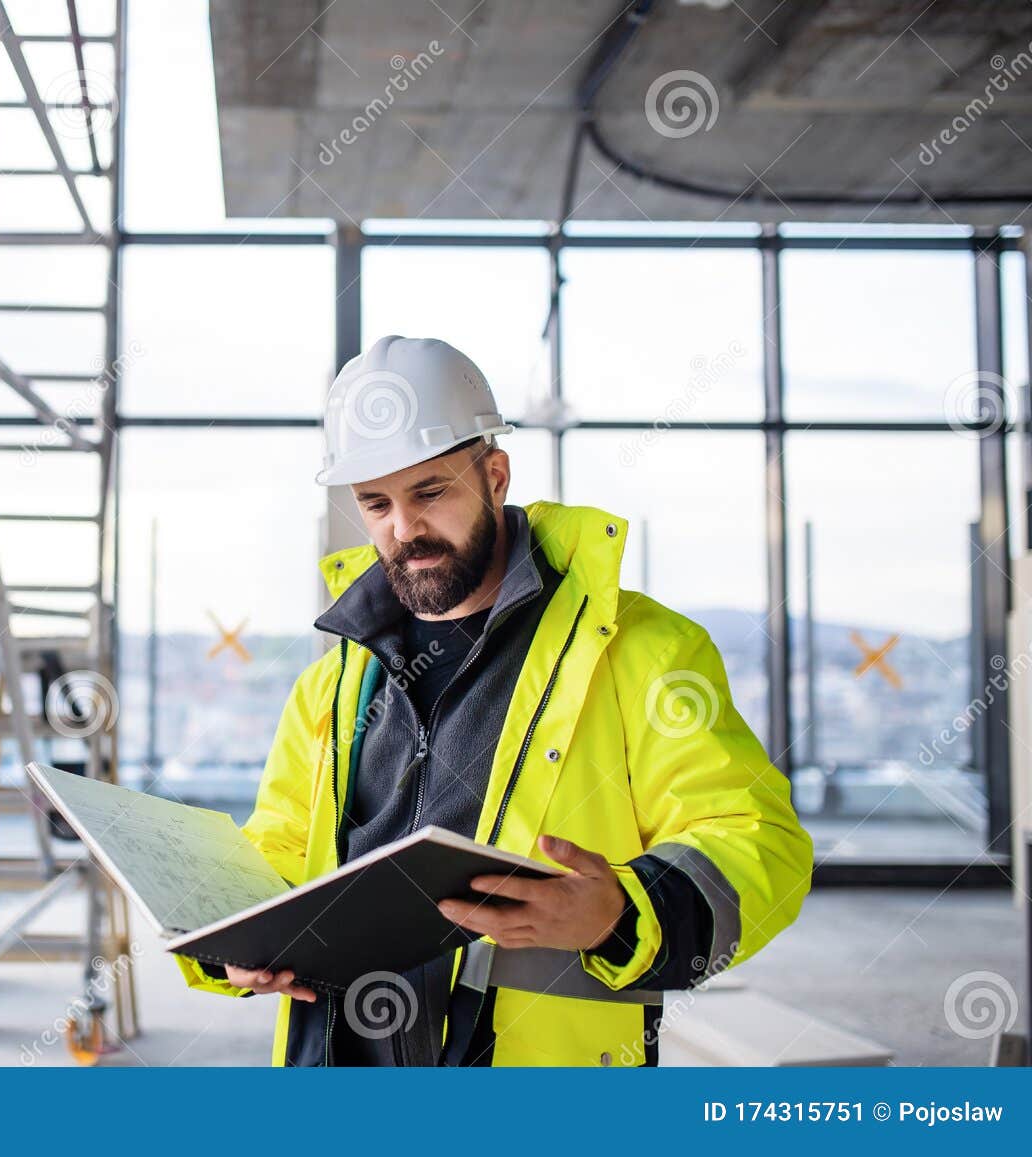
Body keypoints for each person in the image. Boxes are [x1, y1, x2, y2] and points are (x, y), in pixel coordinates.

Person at [176, 335, 813, 1067]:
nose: (403, 529)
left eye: (431, 492)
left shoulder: (643, 651)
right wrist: (229, 941)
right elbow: (284, 846)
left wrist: (623, 910)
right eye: (375, 503)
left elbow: (760, 841)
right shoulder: (336, 680)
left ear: (496, 473)